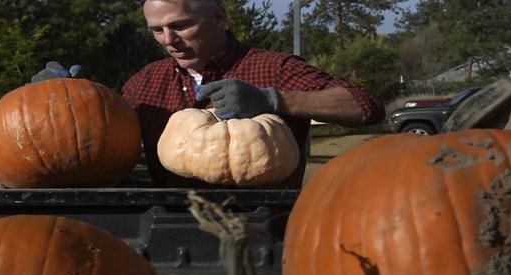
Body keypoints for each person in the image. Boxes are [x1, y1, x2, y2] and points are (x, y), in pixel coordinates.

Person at [33, 0, 384, 188]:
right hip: (172, 232)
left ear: (218, 17)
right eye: (158, 30)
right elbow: (96, 142)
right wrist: (59, 100)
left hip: (265, 229)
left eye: (181, 25)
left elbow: (366, 105)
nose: (169, 41)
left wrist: (273, 100)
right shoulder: (145, 82)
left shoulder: (273, 67)